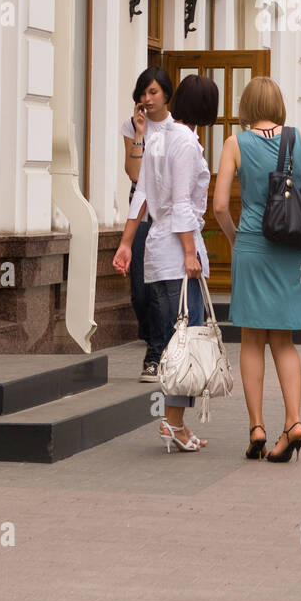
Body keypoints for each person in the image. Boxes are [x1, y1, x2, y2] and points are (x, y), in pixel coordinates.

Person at [213, 78, 301, 462]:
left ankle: (256, 427)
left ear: (247, 105)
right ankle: (294, 422)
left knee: (252, 339)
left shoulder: (235, 144)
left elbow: (220, 205)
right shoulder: (300, 139)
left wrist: (236, 239)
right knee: (283, 341)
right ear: (279, 104)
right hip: (293, 249)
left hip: (253, 245)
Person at [113, 75, 219, 452]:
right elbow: (181, 204)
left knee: (176, 341)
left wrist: (127, 243)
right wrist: (191, 253)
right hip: (176, 255)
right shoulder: (185, 141)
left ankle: (177, 423)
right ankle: (172, 423)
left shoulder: (159, 138)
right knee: (186, 340)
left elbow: (141, 192)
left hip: (157, 250)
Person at [120, 67, 174, 378]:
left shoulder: (175, 129)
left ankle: (155, 354)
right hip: (140, 213)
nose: (147, 98)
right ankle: (154, 339)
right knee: (139, 291)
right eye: (143, 93)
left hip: (165, 215)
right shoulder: (132, 126)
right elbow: (134, 174)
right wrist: (140, 133)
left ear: (166, 94)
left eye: (153, 92)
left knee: (158, 289)